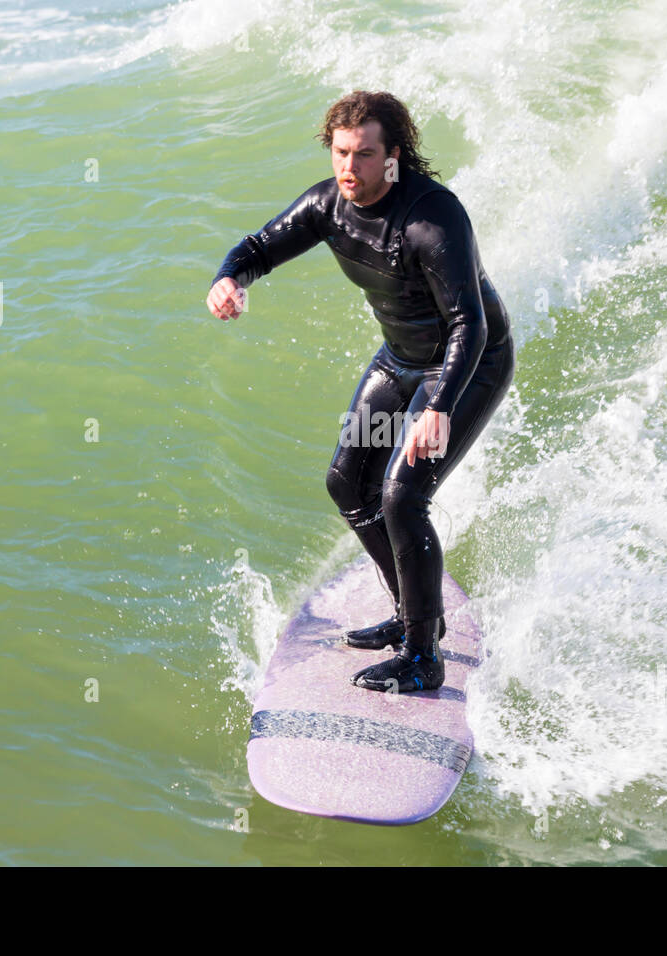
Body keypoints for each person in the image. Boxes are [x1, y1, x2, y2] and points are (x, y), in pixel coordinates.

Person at [206, 90, 514, 693]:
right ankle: (412, 616)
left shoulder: (433, 218)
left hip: (466, 367)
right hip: (399, 362)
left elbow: (468, 325)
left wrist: (440, 411)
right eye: (341, 153)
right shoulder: (330, 206)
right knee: (347, 481)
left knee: (402, 496)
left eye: (365, 155)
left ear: (393, 156)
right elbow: (261, 247)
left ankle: (425, 657)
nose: (350, 168)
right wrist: (229, 278)